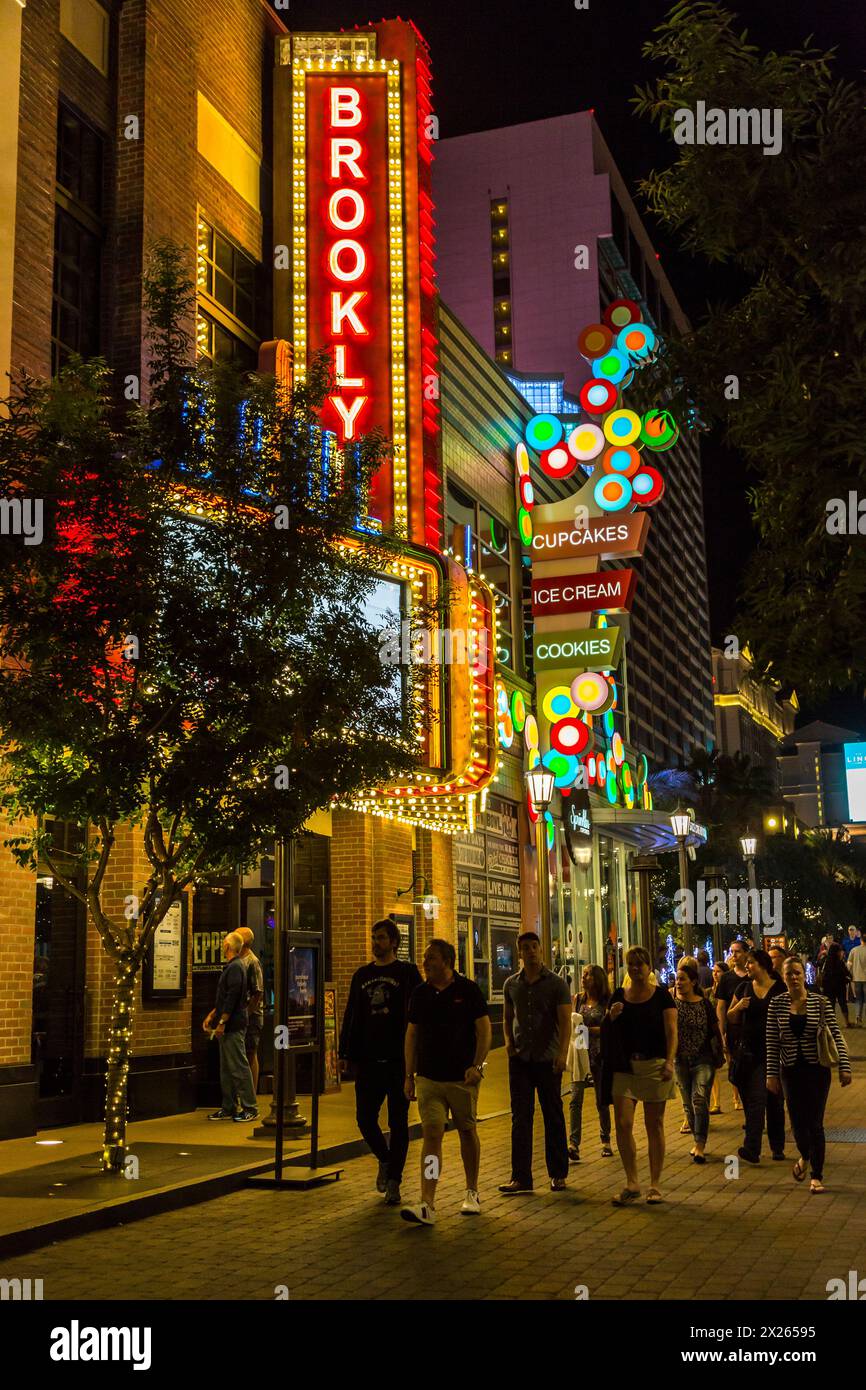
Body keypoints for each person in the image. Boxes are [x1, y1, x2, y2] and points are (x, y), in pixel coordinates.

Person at [401, 939, 491, 1226]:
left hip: (461, 1078)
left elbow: (484, 1030)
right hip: (429, 1077)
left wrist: (477, 1066)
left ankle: (472, 1191)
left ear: (448, 961)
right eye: (425, 958)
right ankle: (427, 1202)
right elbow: (412, 1035)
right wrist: (409, 1075)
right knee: (431, 1135)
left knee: (467, 1131)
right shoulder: (420, 994)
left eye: (432, 958)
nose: (425, 963)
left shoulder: (468, 990)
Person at [338, 919, 423, 1205]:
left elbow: (419, 1014)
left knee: (398, 1123)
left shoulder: (408, 973)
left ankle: (395, 1181)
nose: (376, 943)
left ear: (394, 942)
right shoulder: (361, 975)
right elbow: (352, 1014)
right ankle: (385, 1161)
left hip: (399, 1060)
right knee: (364, 1119)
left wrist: (417, 1059)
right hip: (369, 1059)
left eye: (382, 938)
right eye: (374, 938)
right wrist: (344, 1053)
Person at [767, 955, 852, 1193]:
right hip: (790, 1070)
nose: (793, 977)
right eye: (789, 974)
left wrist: (844, 1067)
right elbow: (772, 1042)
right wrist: (771, 1075)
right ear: (782, 978)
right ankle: (805, 1155)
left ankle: (816, 1175)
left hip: (817, 1070)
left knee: (815, 1123)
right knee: (797, 1123)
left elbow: (836, 1036)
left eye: (797, 973)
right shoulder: (777, 1004)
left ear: (804, 975)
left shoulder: (821, 1002)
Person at [602, 944, 677, 1206]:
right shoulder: (619, 996)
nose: (635, 969)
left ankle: (655, 1184)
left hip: (654, 1065)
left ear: (648, 968)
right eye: (631, 964)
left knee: (653, 1125)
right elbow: (606, 1030)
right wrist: (610, 1018)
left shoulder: (662, 996)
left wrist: (669, 1061)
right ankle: (632, 1181)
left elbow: (671, 1031)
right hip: (624, 1067)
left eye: (640, 964)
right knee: (622, 1123)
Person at [499, 932, 571, 1194]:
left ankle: (558, 1173)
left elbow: (565, 1023)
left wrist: (563, 1054)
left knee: (552, 1114)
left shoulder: (557, 984)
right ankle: (521, 1177)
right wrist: (508, 1043)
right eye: (525, 948)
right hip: (520, 1059)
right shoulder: (511, 985)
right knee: (520, 1117)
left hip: (547, 1059)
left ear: (541, 950)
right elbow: (507, 1018)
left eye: (534, 947)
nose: (530, 951)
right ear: (519, 953)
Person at [726, 948, 786, 1164]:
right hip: (749, 1054)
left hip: (774, 1052)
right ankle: (752, 1147)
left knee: (774, 1101)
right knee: (756, 1100)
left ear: (762, 965)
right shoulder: (744, 988)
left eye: (751, 963)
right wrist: (739, 1007)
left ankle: (776, 1146)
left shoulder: (779, 988)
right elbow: (730, 1016)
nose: (747, 966)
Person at [204, 932, 258, 1123]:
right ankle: (228, 1106)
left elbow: (233, 997)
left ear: (228, 947)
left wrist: (222, 1022)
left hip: (233, 1026)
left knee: (238, 1066)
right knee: (227, 1068)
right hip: (228, 1025)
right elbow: (225, 997)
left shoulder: (235, 967)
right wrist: (213, 1016)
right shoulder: (233, 967)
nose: (221, 946)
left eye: (223, 943)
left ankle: (250, 1107)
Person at [674, 960, 723, 1162]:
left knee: (699, 1099)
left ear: (693, 982)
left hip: (703, 1059)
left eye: (682, 979)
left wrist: (721, 1050)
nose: (678, 983)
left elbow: (714, 1029)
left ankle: (700, 1144)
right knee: (688, 1104)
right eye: (676, 979)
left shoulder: (704, 1004)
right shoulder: (671, 1002)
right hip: (680, 1059)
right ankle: (696, 1139)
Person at [568, 964, 613, 1160]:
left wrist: (589, 1030)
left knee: (600, 1100)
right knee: (575, 1098)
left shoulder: (606, 1001)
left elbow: (609, 1028)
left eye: (588, 975)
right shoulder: (578, 999)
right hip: (580, 1051)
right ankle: (573, 1143)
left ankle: (606, 1140)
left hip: (600, 1053)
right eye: (583, 975)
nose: (583, 978)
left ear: (597, 979)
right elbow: (573, 1023)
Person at [715, 939, 749, 1110]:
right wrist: (721, 1031)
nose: (733, 955)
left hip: (751, 1029)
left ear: (746, 954)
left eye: (737, 951)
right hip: (733, 1030)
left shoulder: (753, 975)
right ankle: (739, 1097)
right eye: (731, 951)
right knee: (736, 1066)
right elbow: (721, 1007)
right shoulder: (726, 978)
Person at [237, 927, 264, 1095]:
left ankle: (251, 1093)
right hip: (242, 1014)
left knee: (250, 1052)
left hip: (251, 1016)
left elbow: (258, 991)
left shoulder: (252, 961)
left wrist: (247, 1013)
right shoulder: (237, 960)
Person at [707, 962, 727, 1114]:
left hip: (725, 1029)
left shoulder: (726, 989)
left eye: (718, 971)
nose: (715, 974)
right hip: (713, 1033)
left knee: (732, 1063)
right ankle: (716, 1102)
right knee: (712, 1069)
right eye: (714, 971)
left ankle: (735, 1097)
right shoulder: (709, 992)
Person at [820, 941, 853, 1027]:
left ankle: (831, 1023)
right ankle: (847, 1022)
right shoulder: (840, 962)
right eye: (840, 951)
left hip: (828, 987)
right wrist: (848, 978)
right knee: (843, 1004)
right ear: (837, 952)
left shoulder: (825, 961)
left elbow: (819, 967)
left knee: (830, 1004)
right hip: (840, 986)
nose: (841, 952)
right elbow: (846, 973)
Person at [848, 935, 866, 1026]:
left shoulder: (854, 950)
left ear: (861, 940)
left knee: (858, 999)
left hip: (857, 978)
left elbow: (849, 963)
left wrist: (848, 973)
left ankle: (858, 1017)